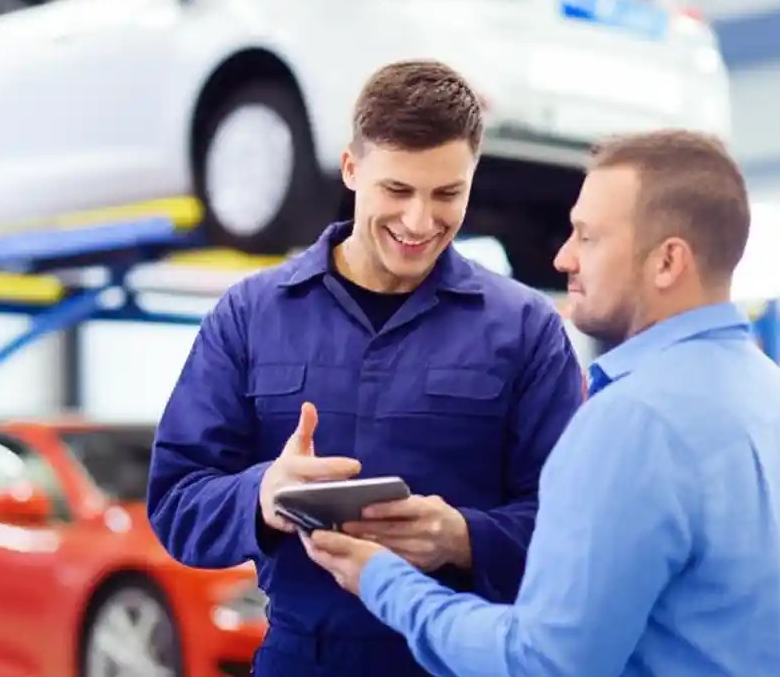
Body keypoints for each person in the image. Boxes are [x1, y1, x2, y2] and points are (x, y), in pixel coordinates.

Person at [301, 129, 780, 676]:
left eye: (587, 237)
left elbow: (541, 664)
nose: (562, 258)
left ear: (667, 262)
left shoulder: (635, 420)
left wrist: (385, 582)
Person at [146, 59, 584, 676]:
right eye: (397, 190)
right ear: (352, 169)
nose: (419, 221)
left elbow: (575, 528)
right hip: (303, 658)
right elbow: (176, 501)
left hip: (461, 659)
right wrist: (263, 494)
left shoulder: (526, 330)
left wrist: (463, 538)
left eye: (447, 194)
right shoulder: (251, 315)